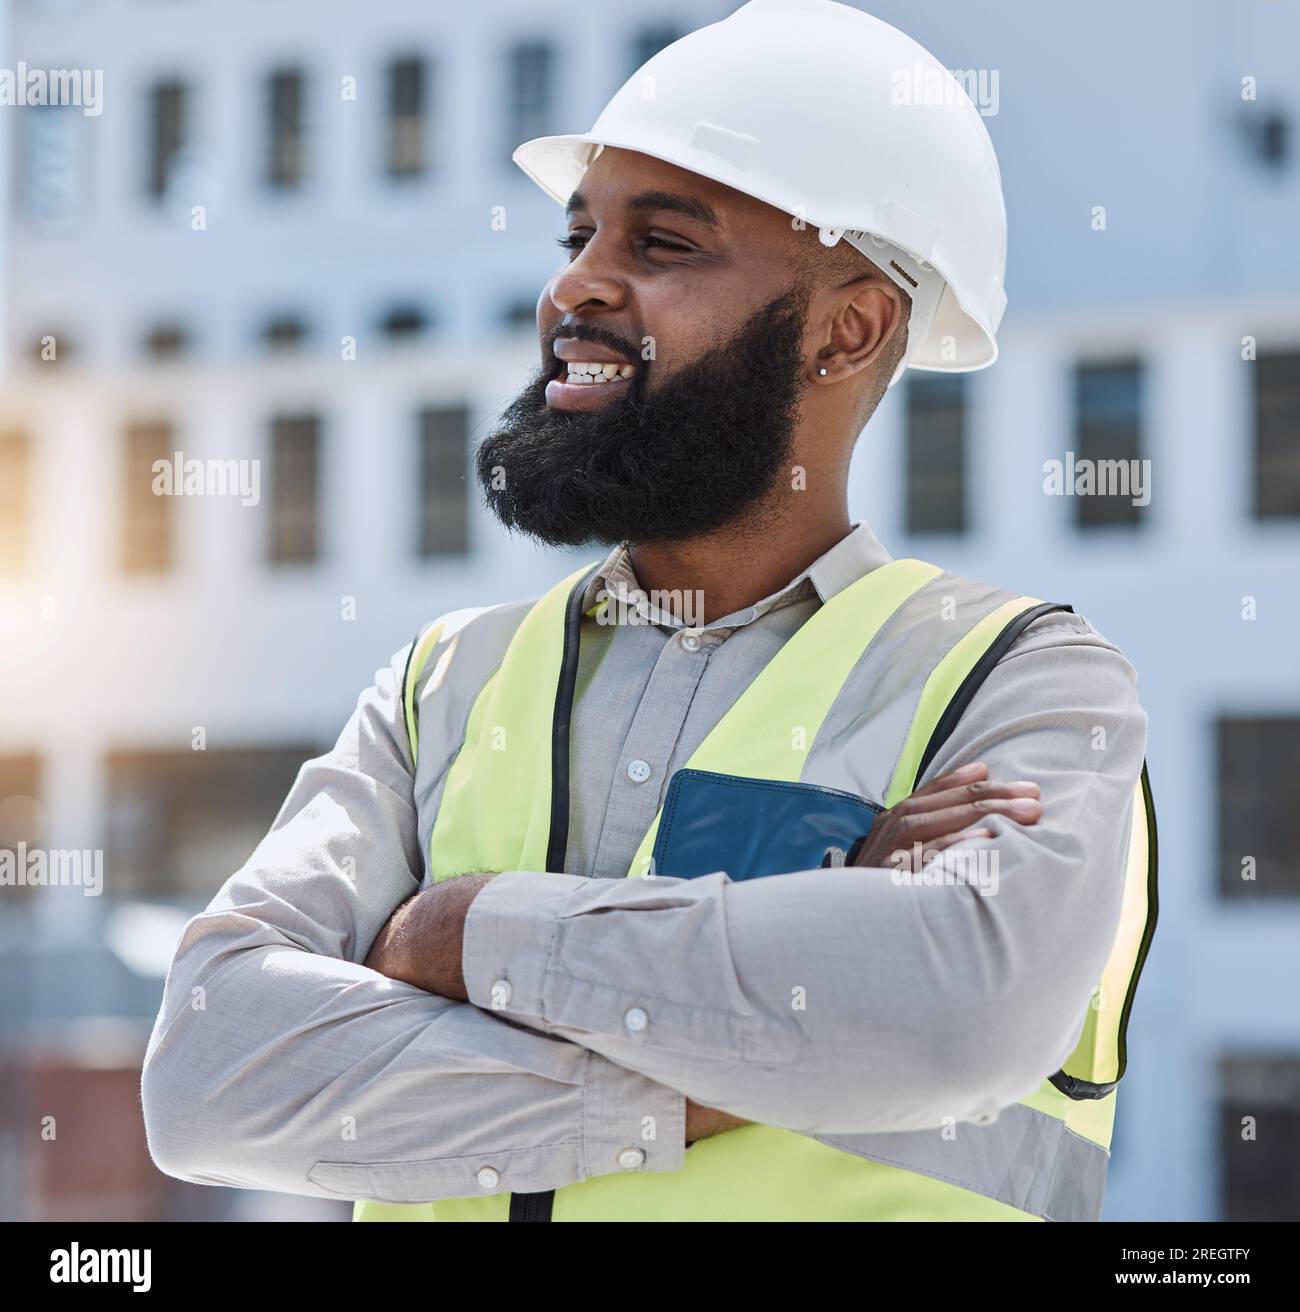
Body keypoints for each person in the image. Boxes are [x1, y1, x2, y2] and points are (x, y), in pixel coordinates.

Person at [142, 0, 1155, 1222]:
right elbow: (207, 1078)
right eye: (578, 233)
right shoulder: (443, 687)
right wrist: (763, 1026)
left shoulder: (1022, 684)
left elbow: (956, 1016)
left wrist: (460, 933)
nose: (576, 282)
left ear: (849, 327)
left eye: (663, 243)